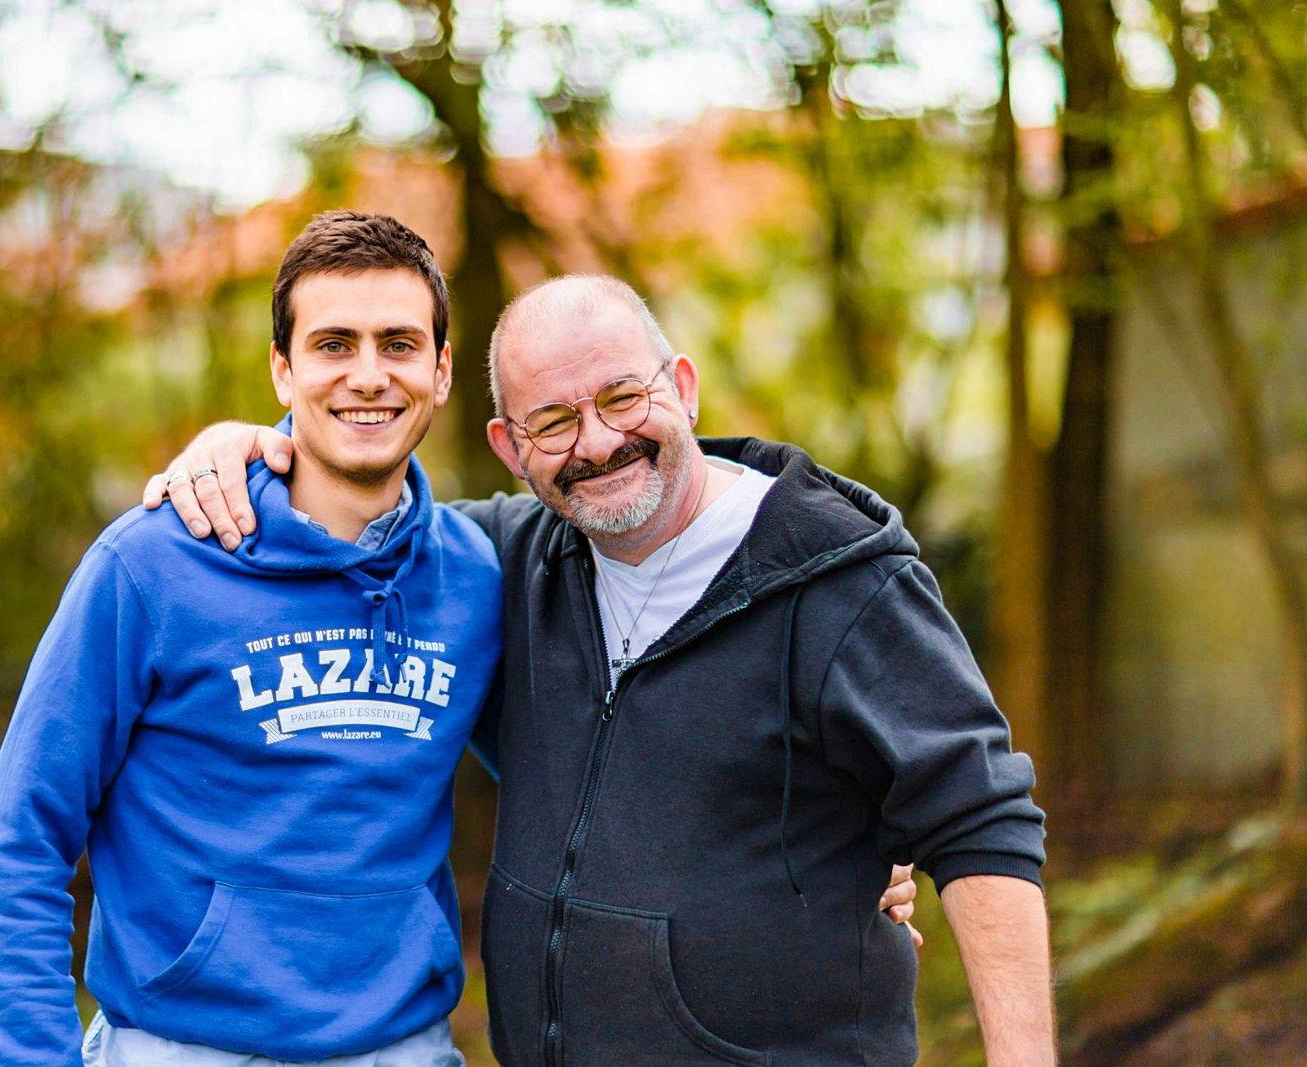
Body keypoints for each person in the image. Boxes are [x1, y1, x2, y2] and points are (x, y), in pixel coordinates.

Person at [152, 273, 1052, 1064]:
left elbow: (982, 821)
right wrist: (253, 450)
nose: (597, 441)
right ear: (510, 447)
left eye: (623, 397)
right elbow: (352, 524)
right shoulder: (497, 565)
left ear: (684, 388)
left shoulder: (840, 582)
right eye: (553, 420)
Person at [0, 212, 505, 1066]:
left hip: (405, 1047)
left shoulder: (476, 577)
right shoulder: (152, 563)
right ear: (282, 370)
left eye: (398, 344)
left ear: (441, 373)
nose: (369, 375)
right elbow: (22, 838)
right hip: (184, 1046)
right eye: (334, 344)